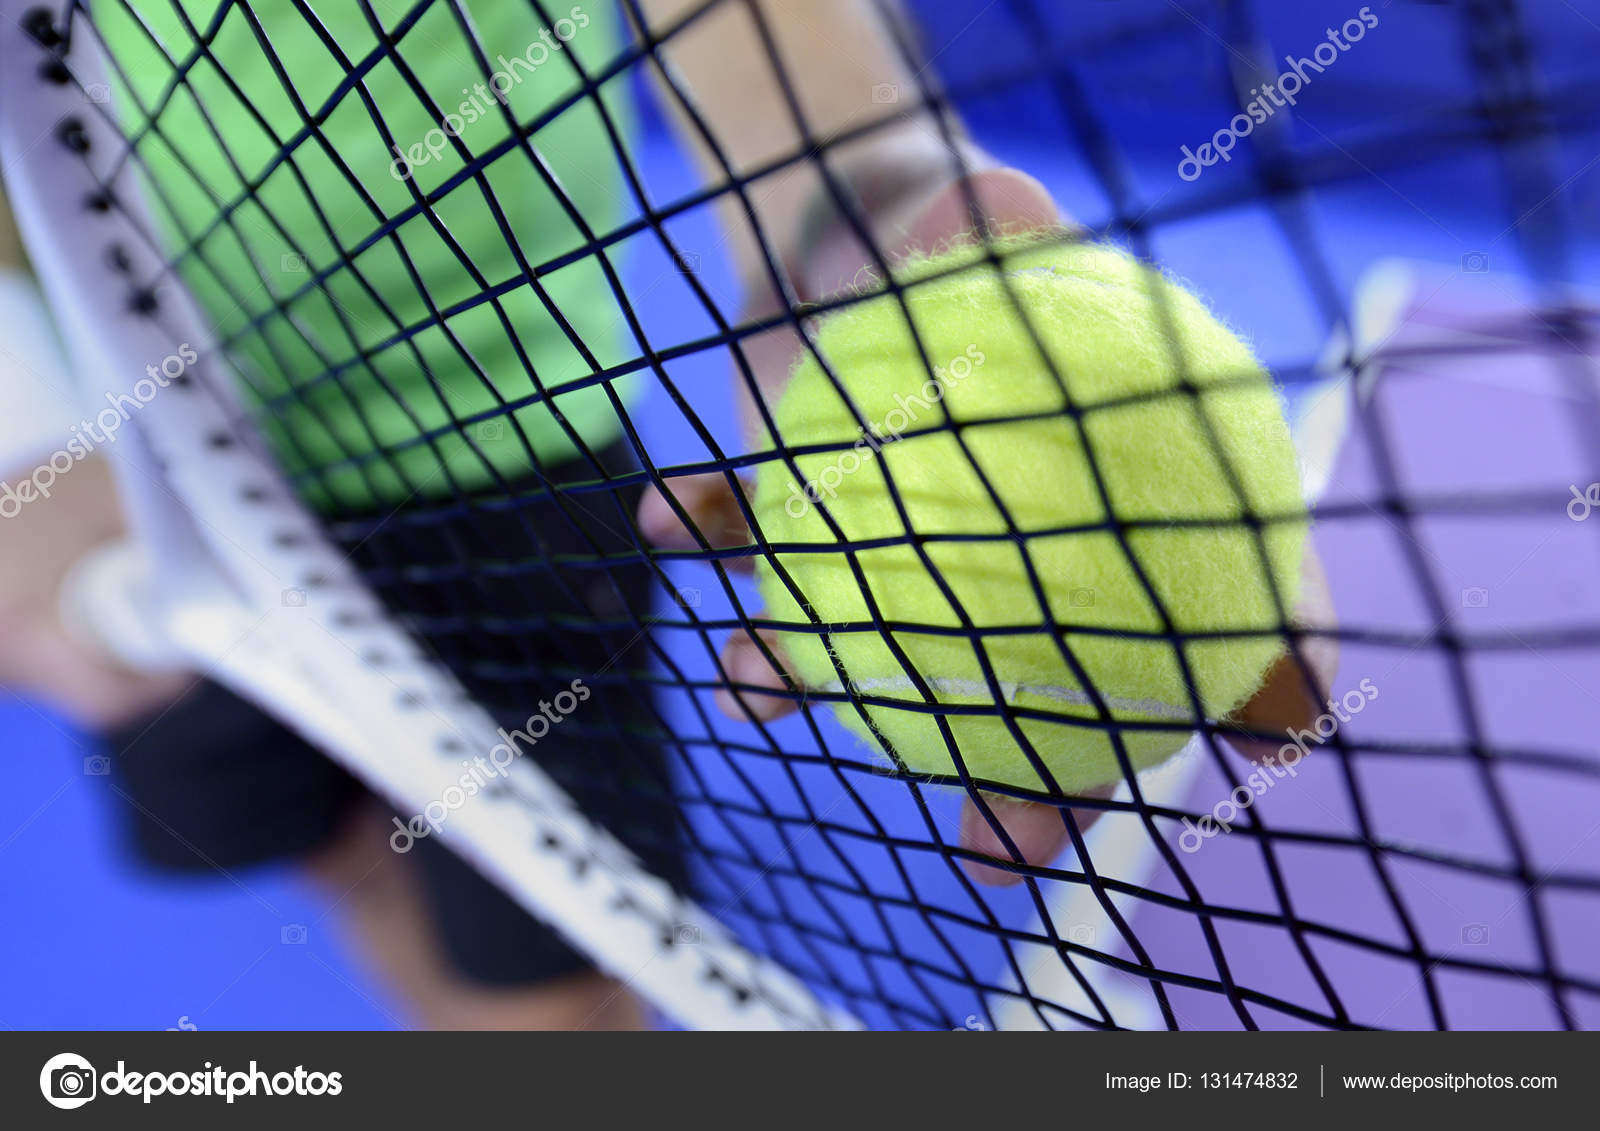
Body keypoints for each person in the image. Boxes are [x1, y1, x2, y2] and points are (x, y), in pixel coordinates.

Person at [0, 0, 1335, 1029]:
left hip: (514, 453)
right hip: (135, 470)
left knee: (557, 976)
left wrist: (854, 203)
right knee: (341, 842)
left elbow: (773, 59)